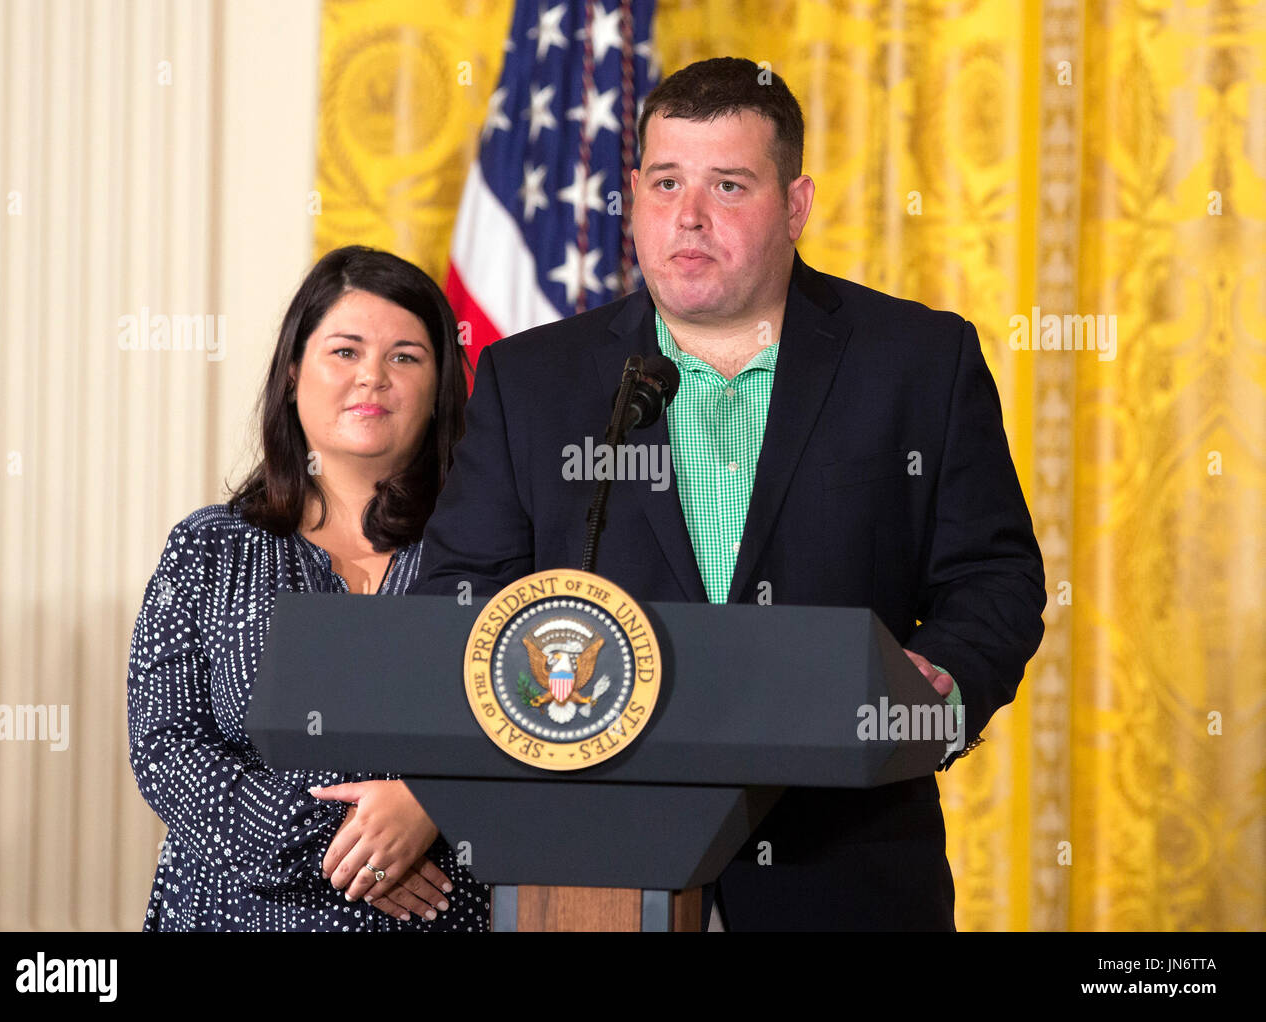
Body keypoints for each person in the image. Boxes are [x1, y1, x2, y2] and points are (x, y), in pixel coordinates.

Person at [413, 58, 1046, 930]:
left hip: (844, 872)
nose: (690, 217)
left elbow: (995, 577)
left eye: (730, 185)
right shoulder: (534, 380)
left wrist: (938, 688)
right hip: (592, 866)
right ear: (632, 193)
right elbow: (463, 597)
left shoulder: (917, 363)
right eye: (667, 182)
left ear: (796, 205)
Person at [127, 245, 489, 931]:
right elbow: (166, 747)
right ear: (293, 371)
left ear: (440, 386)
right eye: (345, 352)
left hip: (440, 908)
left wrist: (430, 803)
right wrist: (349, 845)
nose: (373, 378)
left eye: (405, 356)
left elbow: (545, 725)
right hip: (233, 911)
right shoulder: (208, 548)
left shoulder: (492, 553)